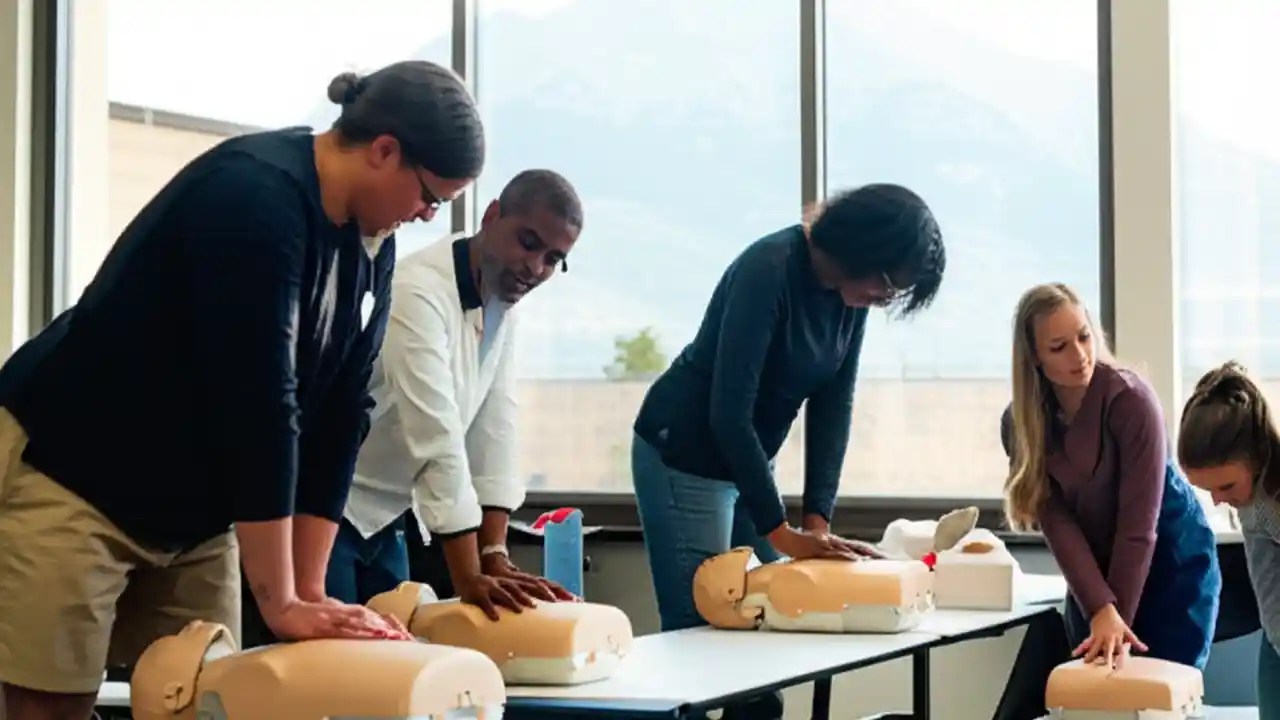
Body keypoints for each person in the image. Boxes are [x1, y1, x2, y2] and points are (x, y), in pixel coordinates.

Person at [0, 60, 484, 720]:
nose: (426, 216)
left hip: (194, 514)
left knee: (209, 700)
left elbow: (343, 413)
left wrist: (308, 594)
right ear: (384, 151)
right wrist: (279, 602)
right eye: (430, 196)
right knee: (50, 706)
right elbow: (260, 404)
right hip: (75, 471)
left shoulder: (371, 243)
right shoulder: (254, 197)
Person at [632, 183, 947, 635]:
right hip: (686, 455)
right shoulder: (768, 268)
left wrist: (816, 523)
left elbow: (833, 406)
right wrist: (780, 532)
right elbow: (729, 411)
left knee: (769, 618)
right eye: (888, 284)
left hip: (749, 458)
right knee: (701, 624)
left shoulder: (849, 296)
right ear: (860, 248)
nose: (884, 299)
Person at [332, 169, 583, 619]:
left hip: (388, 517)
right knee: (325, 674)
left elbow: (495, 428)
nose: (535, 267)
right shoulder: (419, 291)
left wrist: (495, 555)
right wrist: (468, 578)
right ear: (491, 216)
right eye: (528, 243)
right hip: (327, 509)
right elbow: (437, 435)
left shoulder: (502, 304)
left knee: (391, 667)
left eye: (552, 259)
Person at [999, 282, 1220, 671]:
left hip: (1170, 565)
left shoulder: (1131, 401)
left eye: (1084, 337)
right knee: (1094, 696)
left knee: (1157, 699)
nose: (1080, 355)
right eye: (1059, 346)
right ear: (1034, 356)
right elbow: (1059, 523)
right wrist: (1101, 608)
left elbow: (1138, 528)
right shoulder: (1020, 425)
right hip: (1095, 579)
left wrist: (1116, 620)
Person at [1177, 361, 1280, 717]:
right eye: (1209, 491)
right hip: (1275, 638)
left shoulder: (1273, 502)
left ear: (1256, 456)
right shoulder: (1250, 494)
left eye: (1226, 486)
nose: (1218, 500)